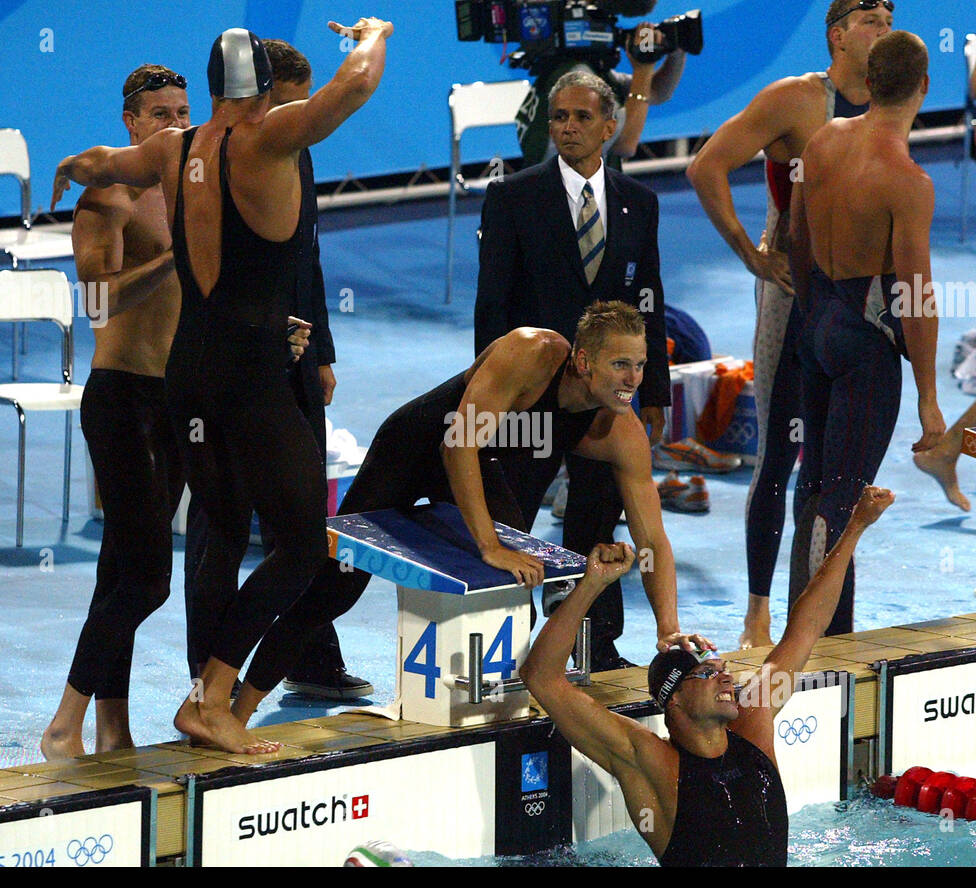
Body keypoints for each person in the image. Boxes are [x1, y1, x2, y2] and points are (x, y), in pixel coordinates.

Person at [52, 20, 394, 753]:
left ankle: (193, 698)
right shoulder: (266, 140)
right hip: (245, 382)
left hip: (187, 381)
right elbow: (356, 84)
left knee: (218, 537)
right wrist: (374, 31)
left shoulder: (176, 150)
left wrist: (74, 166)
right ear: (265, 91)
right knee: (300, 547)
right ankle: (209, 698)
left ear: (206, 92)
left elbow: (104, 160)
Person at [232, 304, 685, 723]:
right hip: (414, 448)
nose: (633, 379)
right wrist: (489, 545)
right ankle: (239, 711)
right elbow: (457, 442)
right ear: (584, 362)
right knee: (336, 588)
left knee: (512, 595)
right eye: (621, 365)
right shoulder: (531, 352)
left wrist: (668, 629)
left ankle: (484, 721)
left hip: (474, 466)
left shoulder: (621, 430)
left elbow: (652, 539)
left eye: (641, 365)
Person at [522, 486, 894, 866]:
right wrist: (592, 584)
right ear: (675, 697)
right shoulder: (650, 763)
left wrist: (856, 527)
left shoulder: (753, 723)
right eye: (707, 673)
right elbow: (542, 678)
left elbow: (806, 628)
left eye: (723, 670)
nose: (727, 680)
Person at [685, 0, 889, 649]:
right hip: (794, 289)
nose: (883, 26)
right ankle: (756, 612)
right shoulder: (798, 100)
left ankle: (823, 611)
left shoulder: (893, 102)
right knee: (780, 453)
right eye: (870, 18)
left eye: (890, 16)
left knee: (836, 466)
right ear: (836, 35)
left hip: (860, 289)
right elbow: (705, 165)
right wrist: (752, 252)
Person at [181, 38, 373, 703]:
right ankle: (206, 675)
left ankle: (309, 657)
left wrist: (320, 350)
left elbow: (305, 257)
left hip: (290, 360)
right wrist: (375, 37)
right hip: (233, 369)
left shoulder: (295, 152)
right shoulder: (216, 156)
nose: (298, 122)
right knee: (222, 531)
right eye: (294, 105)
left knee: (301, 525)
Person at [475, 70, 669, 671]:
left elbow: (649, 302)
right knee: (513, 521)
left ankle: (595, 644)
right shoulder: (511, 196)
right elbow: (492, 307)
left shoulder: (642, 203)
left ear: (610, 127)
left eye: (582, 117)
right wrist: (491, 399)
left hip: (606, 402)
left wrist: (653, 390)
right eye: (559, 116)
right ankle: (498, 645)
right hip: (532, 401)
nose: (567, 127)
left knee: (598, 518)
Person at [41, 65, 191, 759]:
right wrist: (170, 262)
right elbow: (98, 302)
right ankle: (63, 724)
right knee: (148, 576)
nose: (174, 123)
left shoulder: (192, 192)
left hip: (177, 399)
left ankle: (113, 726)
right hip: (122, 399)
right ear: (131, 124)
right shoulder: (109, 197)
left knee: (120, 572)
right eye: (160, 113)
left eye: (183, 111)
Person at [786, 30, 945, 636]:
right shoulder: (907, 179)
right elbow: (913, 294)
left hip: (818, 317)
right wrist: (929, 399)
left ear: (870, 84)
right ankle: (823, 649)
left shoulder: (825, 139)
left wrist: (811, 310)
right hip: (862, 344)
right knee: (844, 502)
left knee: (814, 491)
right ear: (925, 87)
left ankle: (799, 639)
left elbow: (799, 237)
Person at [517, 8, 687, 169]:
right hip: (560, 192)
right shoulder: (578, 80)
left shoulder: (575, 72)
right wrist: (644, 67)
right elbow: (626, 144)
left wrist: (676, 50)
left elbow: (656, 92)